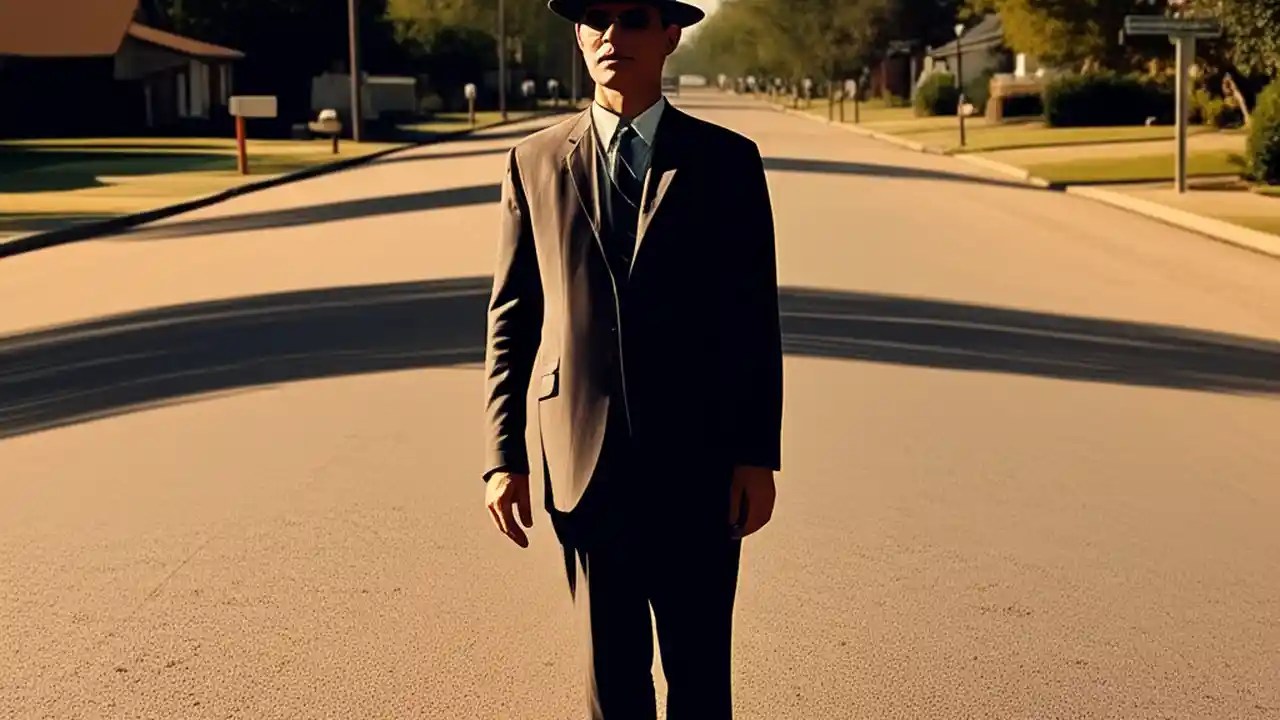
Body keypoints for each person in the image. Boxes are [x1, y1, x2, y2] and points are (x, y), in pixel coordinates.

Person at [481, 0, 783, 717]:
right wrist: (503, 455)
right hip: (584, 458)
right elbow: (512, 316)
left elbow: (752, 318)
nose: (613, 36)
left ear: (670, 34)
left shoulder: (726, 163)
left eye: (634, 18)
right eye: (596, 19)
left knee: (700, 672)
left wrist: (755, 454)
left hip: (701, 459)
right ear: (579, 34)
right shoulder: (534, 161)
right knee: (611, 678)